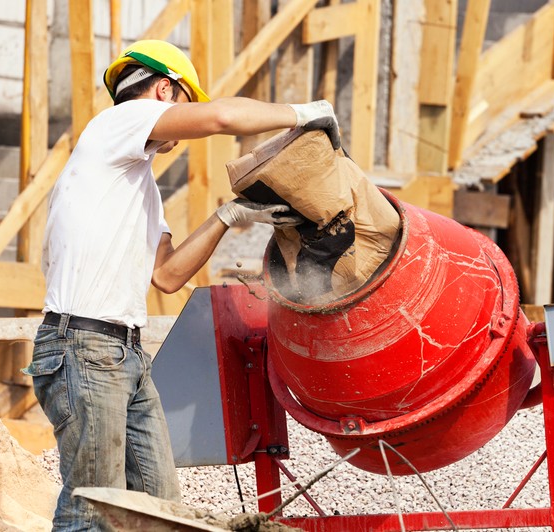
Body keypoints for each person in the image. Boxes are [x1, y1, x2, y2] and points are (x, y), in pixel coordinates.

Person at [22, 39, 339, 531]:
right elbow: (221, 119)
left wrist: (228, 216)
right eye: (188, 103)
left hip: (121, 354)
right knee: (93, 513)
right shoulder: (116, 122)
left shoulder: (137, 184)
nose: (186, 128)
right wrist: (305, 112)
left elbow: (167, 275)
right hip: (83, 348)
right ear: (165, 90)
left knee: (161, 512)